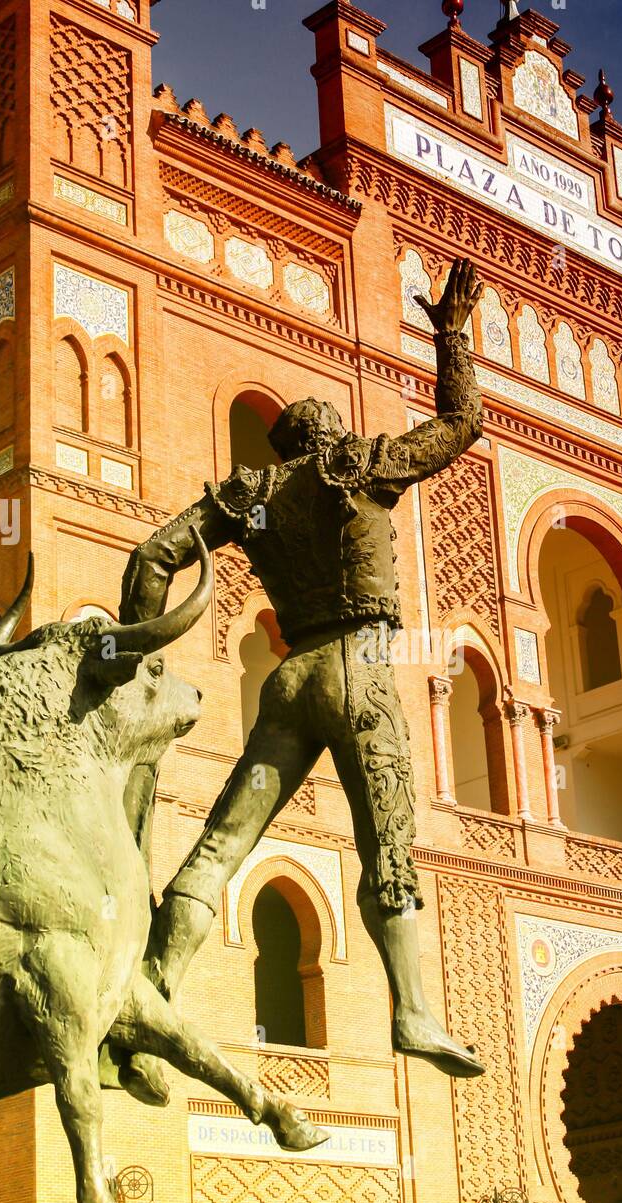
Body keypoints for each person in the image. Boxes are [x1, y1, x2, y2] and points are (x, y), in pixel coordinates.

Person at [118, 258, 486, 1104]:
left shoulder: (253, 497)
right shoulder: (361, 465)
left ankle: (152, 991)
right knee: (386, 846)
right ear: (325, 434)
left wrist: (143, 667)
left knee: (217, 846)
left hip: (290, 677)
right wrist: (451, 334)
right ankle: (413, 1013)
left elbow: (152, 556)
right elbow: (461, 422)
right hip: (360, 670)